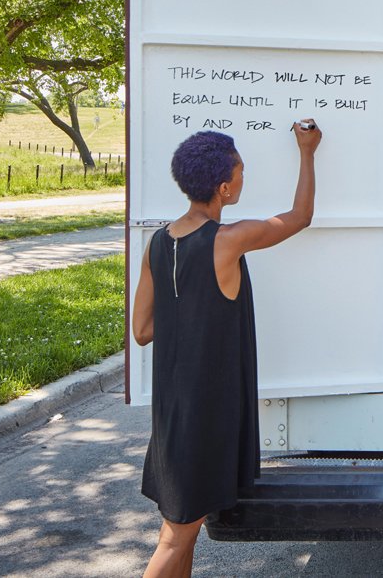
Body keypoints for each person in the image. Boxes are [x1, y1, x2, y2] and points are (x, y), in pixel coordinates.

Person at [131, 120, 321, 576]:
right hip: (206, 412)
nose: (243, 177)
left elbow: (142, 330)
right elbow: (299, 217)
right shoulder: (228, 240)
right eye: (240, 171)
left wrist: (190, 315)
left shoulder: (158, 243)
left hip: (172, 411)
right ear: (224, 188)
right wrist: (307, 152)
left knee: (185, 528)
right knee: (175, 537)